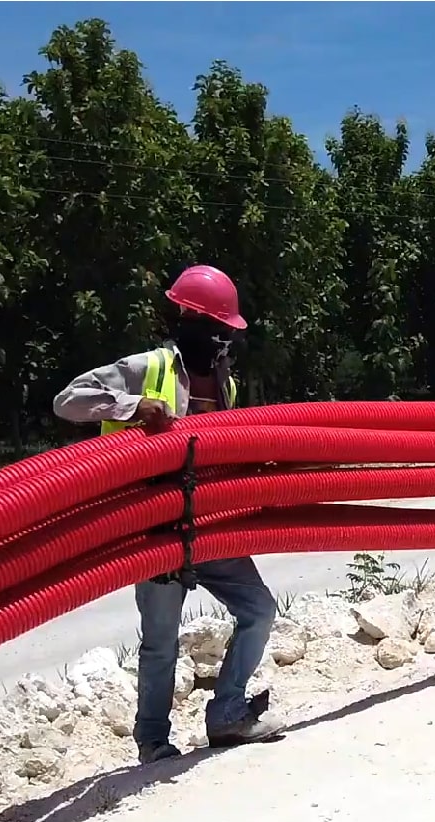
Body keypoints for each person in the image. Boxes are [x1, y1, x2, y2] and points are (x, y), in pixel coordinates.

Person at [53, 264, 280, 764]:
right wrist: (133, 406)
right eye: (218, 331)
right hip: (156, 527)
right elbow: (68, 400)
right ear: (191, 323)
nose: (223, 343)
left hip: (211, 525)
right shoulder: (147, 366)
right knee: (161, 643)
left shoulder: (227, 386)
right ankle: (153, 742)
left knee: (259, 609)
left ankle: (226, 715)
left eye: (227, 334)